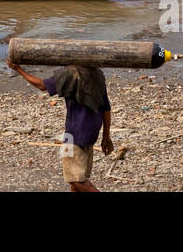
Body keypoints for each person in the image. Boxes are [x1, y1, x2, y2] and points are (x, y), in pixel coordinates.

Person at [8, 60, 113, 192]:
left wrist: (18, 70)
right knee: (75, 180)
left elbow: (41, 85)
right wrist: (106, 136)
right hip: (91, 133)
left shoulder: (71, 73)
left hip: (72, 135)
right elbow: (106, 108)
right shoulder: (97, 74)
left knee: (76, 180)